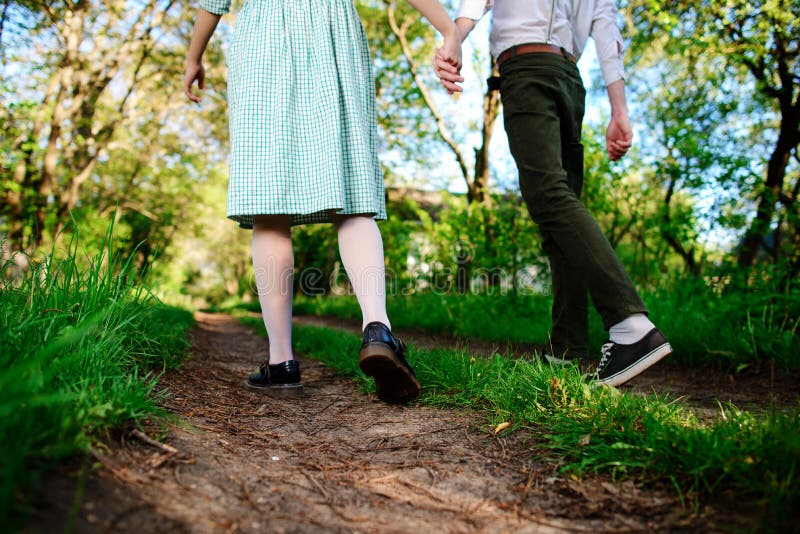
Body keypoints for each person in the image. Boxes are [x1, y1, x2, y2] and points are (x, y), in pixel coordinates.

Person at [184, 0, 461, 402]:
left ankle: (281, 363)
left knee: (269, 206)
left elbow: (213, 2)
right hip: (334, 36)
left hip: (263, 42)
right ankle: (377, 328)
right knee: (351, 196)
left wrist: (193, 57)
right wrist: (447, 29)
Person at [433, 0, 671, 387]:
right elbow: (608, 34)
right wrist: (619, 111)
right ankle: (566, 352)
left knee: (548, 196)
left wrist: (453, 36)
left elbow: (475, 3)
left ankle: (630, 324)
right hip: (569, 80)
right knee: (561, 216)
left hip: (526, 70)